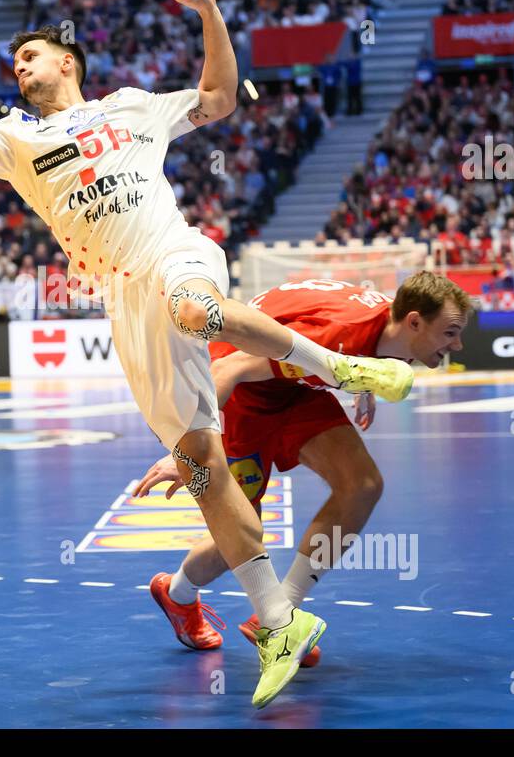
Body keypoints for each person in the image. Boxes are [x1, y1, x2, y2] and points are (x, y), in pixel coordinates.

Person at [0, 0, 416, 708]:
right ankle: (277, 621)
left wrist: (207, 10)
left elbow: (221, 96)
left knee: (196, 309)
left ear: (68, 62)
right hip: (121, 299)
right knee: (201, 464)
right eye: (15, 61)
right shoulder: (10, 140)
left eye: (31, 55)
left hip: (173, 254)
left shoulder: (134, 108)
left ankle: (341, 367)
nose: (20, 67)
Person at [136, 272, 472, 662]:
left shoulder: (383, 326)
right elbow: (228, 371)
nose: (457, 344)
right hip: (242, 390)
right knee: (242, 532)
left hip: (292, 388)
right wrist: (186, 452)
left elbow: (335, 336)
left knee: (362, 484)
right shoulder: (337, 335)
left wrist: (363, 383)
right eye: (450, 332)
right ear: (414, 321)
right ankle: (177, 595)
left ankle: (278, 618)